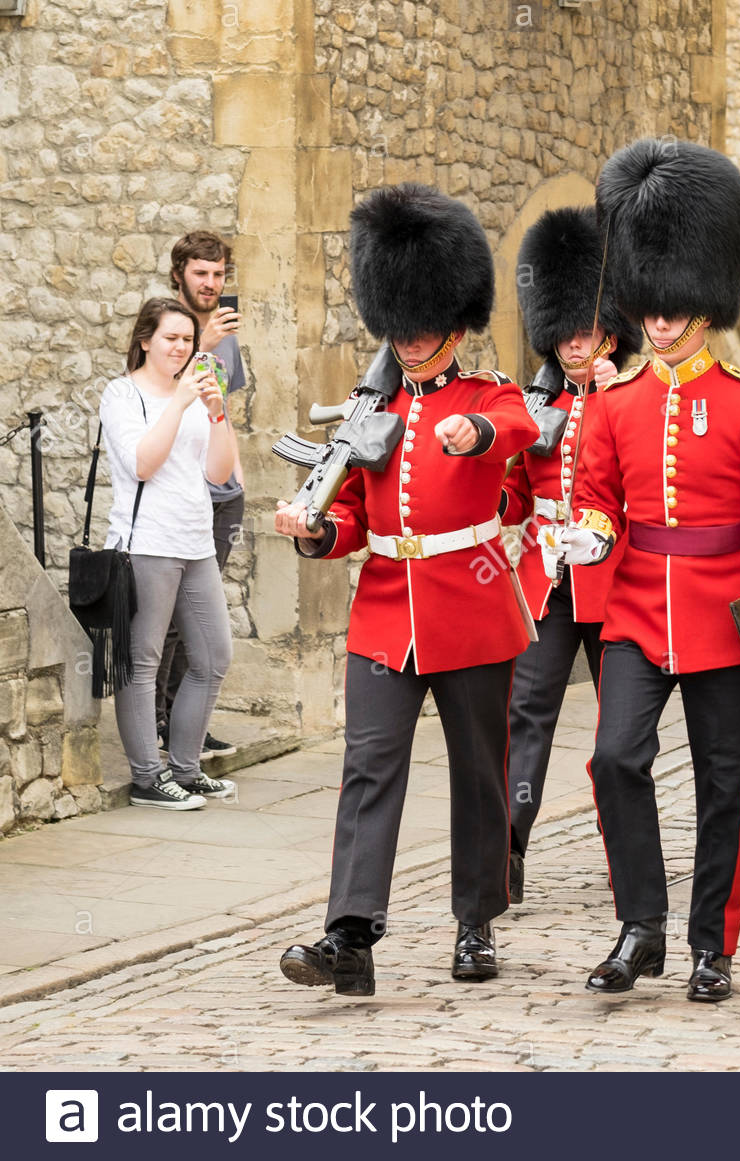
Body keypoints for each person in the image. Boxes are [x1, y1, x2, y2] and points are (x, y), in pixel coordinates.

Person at [549, 139, 740, 1003]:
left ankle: (712, 942)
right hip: (632, 613)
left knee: (723, 784)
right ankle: (641, 925)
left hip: (722, 613)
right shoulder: (614, 405)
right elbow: (598, 498)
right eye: (648, 309)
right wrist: (588, 533)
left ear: (700, 304)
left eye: (673, 308)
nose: (658, 323)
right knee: (615, 760)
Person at [276, 184, 539, 997]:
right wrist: (317, 530)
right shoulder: (371, 410)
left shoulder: (484, 392)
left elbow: (522, 428)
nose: (414, 339)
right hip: (388, 612)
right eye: (403, 323)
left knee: (478, 773)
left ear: (454, 326)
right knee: (369, 765)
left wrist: (481, 433)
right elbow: (351, 517)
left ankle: (476, 922)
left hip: (471, 605)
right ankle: (350, 934)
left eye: (428, 326)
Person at [500, 206, 641, 903]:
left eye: (586, 333)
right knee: (525, 713)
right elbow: (509, 501)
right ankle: (508, 848)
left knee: (618, 732)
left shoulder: (636, 399)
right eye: (564, 335)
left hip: (614, 577)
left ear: (610, 331)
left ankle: (626, 863)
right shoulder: (534, 404)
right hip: (546, 577)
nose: (575, 346)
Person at [100, 297, 238, 810]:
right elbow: (141, 464)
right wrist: (180, 402)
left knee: (213, 657)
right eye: (171, 339)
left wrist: (217, 412)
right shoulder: (122, 394)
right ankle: (147, 777)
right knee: (142, 662)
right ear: (145, 341)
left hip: (195, 541)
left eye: (187, 339)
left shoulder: (197, 394)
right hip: (147, 544)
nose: (181, 348)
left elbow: (218, 474)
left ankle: (185, 767)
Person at [157, 230, 248, 759]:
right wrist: (202, 342)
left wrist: (233, 470)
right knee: (167, 618)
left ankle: (190, 723)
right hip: (176, 489)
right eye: (200, 274)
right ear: (179, 276)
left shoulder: (224, 333)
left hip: (220, 491)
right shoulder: (168, 330)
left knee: (202, 615)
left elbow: (219, 406)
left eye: (218, 275)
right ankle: (158, 724)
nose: (211, 284)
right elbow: (160, 396)